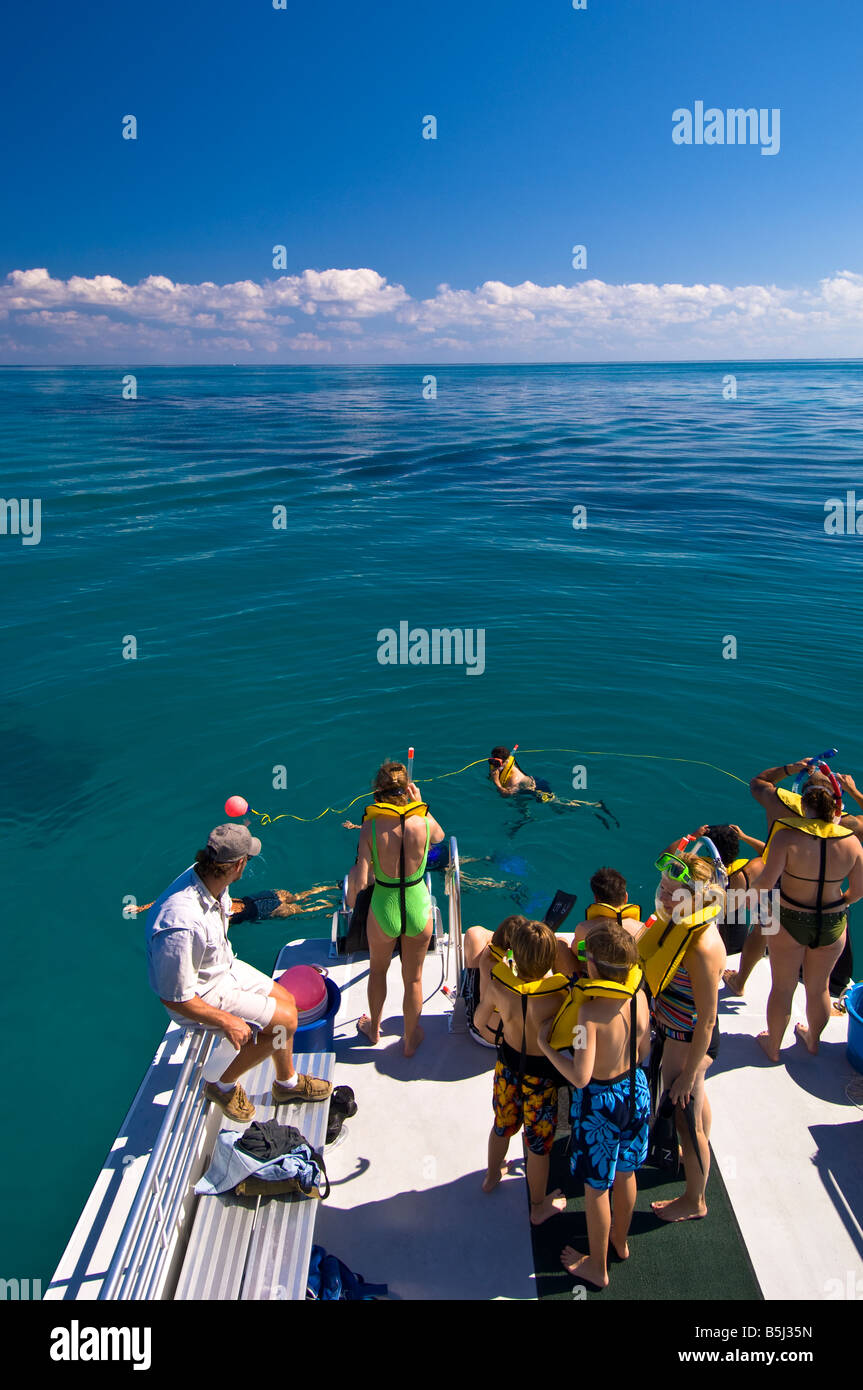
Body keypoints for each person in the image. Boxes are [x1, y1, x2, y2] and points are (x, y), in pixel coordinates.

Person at [146, 824, 333, 1122]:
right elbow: (174, 999)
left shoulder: (209, 877)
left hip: (222, 966)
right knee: (285, 1021)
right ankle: (220, 1085)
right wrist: (228, 1021)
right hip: (201, 994)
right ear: (238, 865)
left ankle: (286, 1084)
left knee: (287, 1002)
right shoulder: (180, 925)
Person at [537, 921, 651, 1288]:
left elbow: (581, 1076)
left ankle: (597, 1268)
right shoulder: (640, 997)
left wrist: (547, 1047)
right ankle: (620, 1240)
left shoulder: (590, 1015)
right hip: (636, 1091)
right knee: (627, 1172)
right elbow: (645, 1049)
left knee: (597, 1187)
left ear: (596, 968)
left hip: (601, 1104)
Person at [749, 780, 863, 1060]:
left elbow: (765, 883)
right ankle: (813, 1040)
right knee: (819, 987)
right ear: (836, 809)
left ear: (804, 807)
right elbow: (858, 891)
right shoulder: (851, 842)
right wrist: (841, 903)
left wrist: (744, 899)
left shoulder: (786, 838)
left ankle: (773, 1047)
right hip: (833, 923)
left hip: (790, 918)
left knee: (783, 987)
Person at [346, 760, 445, 1056]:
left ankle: (373, 1029)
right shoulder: (424, 820)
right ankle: (410, 1039)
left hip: (384, 904)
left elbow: (361, 880)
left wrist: (353, 902)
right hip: (416, 903)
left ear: (377, 791)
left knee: (378, 971)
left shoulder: (371, 825)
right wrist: (421, 804)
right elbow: (439, 838)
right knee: (413, 978)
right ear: (407, 789)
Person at [647, 850, 725, 1223]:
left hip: (689, 1039)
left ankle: (695, 1200)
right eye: (662, 887)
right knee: (694, 1108)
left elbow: (708, 1020)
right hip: (676, 1029)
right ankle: (690, 1152)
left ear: (694, 896)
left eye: (671, 891)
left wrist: (689, 1075)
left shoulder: (699, 946)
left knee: (685, 1119)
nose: (663, 896)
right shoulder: (683, 925)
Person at [475, 917, 569, 1225]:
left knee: (502, 1124)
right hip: (541, 1075)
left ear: (515, 954)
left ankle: (491, 1176)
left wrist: (498, 1039)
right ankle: (538, 1205)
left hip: (508, 1065)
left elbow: (479, 1022)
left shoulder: (501, 985)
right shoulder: (558, 995)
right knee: (538, 1145)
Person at [563, 866, 646, 961]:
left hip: (596, 974)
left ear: (596, 899)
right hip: (633, 974)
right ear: (626, 897)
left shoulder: (583, 929)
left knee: (561, 943)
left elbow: (578, 954)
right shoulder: (642, 929)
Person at [135, 884, 335, 923]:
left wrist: (143, 908)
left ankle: (327, 907)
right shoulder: (214, 893)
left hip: (261, 909)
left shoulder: (221, 918)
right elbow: (172, 897)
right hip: (259, 897)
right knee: (299, 895)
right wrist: (143, 907)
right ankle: (328, 888)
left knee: (302, 909)